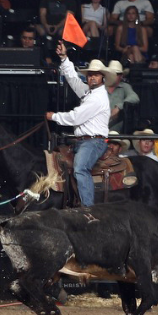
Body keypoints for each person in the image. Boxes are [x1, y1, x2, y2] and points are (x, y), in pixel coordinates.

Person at [45, 42, 110, 208]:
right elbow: (74, 80)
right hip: (83, 141)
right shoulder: (90, 93)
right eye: (90, 75)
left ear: (102, 77)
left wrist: (54, 116)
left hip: (94, 142)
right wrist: (64, 58)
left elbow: (76, 118)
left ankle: (88, 208)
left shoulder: (97, 98)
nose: (92, 77)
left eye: (95, 75)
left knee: (80, 168)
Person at [104, 60, 138, 133]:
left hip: (117, 131)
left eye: (116, 74)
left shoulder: (124, 87)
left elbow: (134, 97)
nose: (113, 76)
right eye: (111, 73)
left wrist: (119, 107)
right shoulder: (100, 88)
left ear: (121, 76)